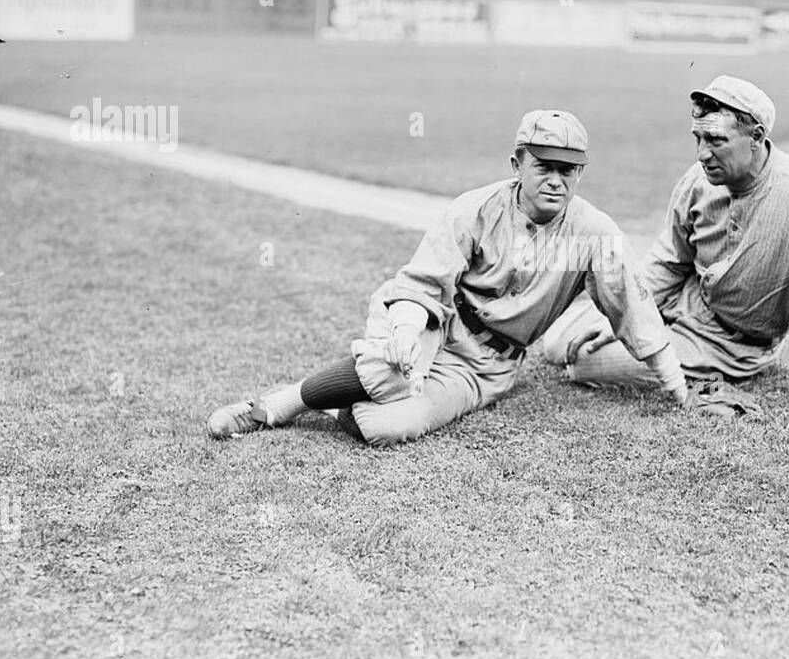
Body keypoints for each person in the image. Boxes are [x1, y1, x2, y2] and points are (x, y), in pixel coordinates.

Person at [206, 109, 687, 447]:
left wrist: (672, 381)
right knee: (387, 370)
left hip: (487, 366)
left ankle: (339, 400)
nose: (556, 181)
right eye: (543, 167)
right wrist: (406, 332)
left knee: (384, 427)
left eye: (568, 170)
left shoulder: (593, 231)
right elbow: (421, 285)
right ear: (516, 164)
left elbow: (631, 307)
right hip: (440, 322)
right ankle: (276, 406)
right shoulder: (475, 209)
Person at [542, 76, 789, 441]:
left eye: (716, 141)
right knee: (558, 344)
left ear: (756, 137)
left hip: (735, 342)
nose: (702, 153)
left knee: (585, 363)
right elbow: (666, 262)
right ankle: (664, 351)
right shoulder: (697, 180)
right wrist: (627, 318)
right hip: (685, 305)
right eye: (698, 138)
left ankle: (710, 376)